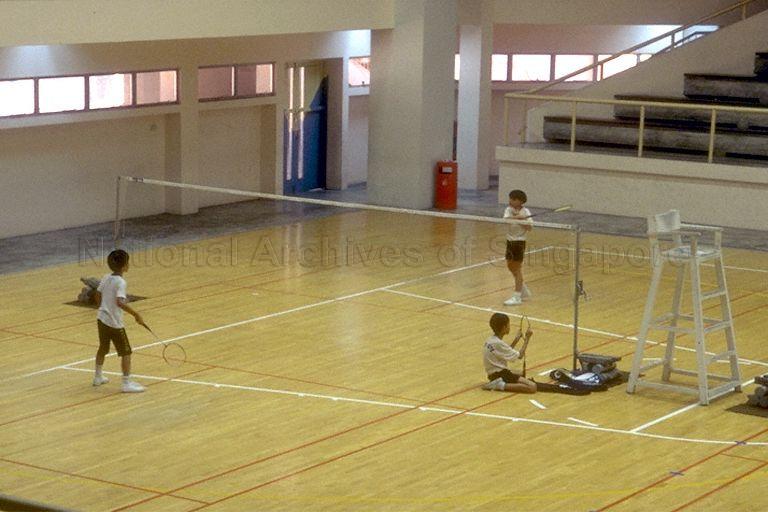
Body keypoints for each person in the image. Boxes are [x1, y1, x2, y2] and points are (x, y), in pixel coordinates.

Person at [92, 249, 146, 393]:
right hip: (114, 323)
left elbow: (97, 294)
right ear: (124, 266)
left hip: (101, 319)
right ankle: (126, 383)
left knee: (103, 348)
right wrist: (136, 314)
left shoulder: (106, 277)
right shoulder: (121, 282)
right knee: (126, 352)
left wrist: (102, 307)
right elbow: (120, 302)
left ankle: (98, 377)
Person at [482, 312, 536, 393]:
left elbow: (505, 352)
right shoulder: (498, 343)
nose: (509, 326)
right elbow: (520, 356)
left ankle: (498, 383)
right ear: (504, 327)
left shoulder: (491, 340)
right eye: (508, 324)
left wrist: (516, 339)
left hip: (493, 374)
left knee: (520, 374)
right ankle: (499, 385)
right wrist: (527, 338)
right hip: (500, 374)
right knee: (532, 387)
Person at [502, 189, 533, 306]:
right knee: (510, 266)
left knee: (517, 268)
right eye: (510, 198)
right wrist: (517, 218)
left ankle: (517, 296)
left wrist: (523, 220)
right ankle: (523, 289)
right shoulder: (508, 210)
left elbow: (529, 228)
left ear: (520, 201)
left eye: (513, 199)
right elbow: (505, 220)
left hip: (519, 242)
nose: (510, 201)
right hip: (509, 240)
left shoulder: (526, 212)